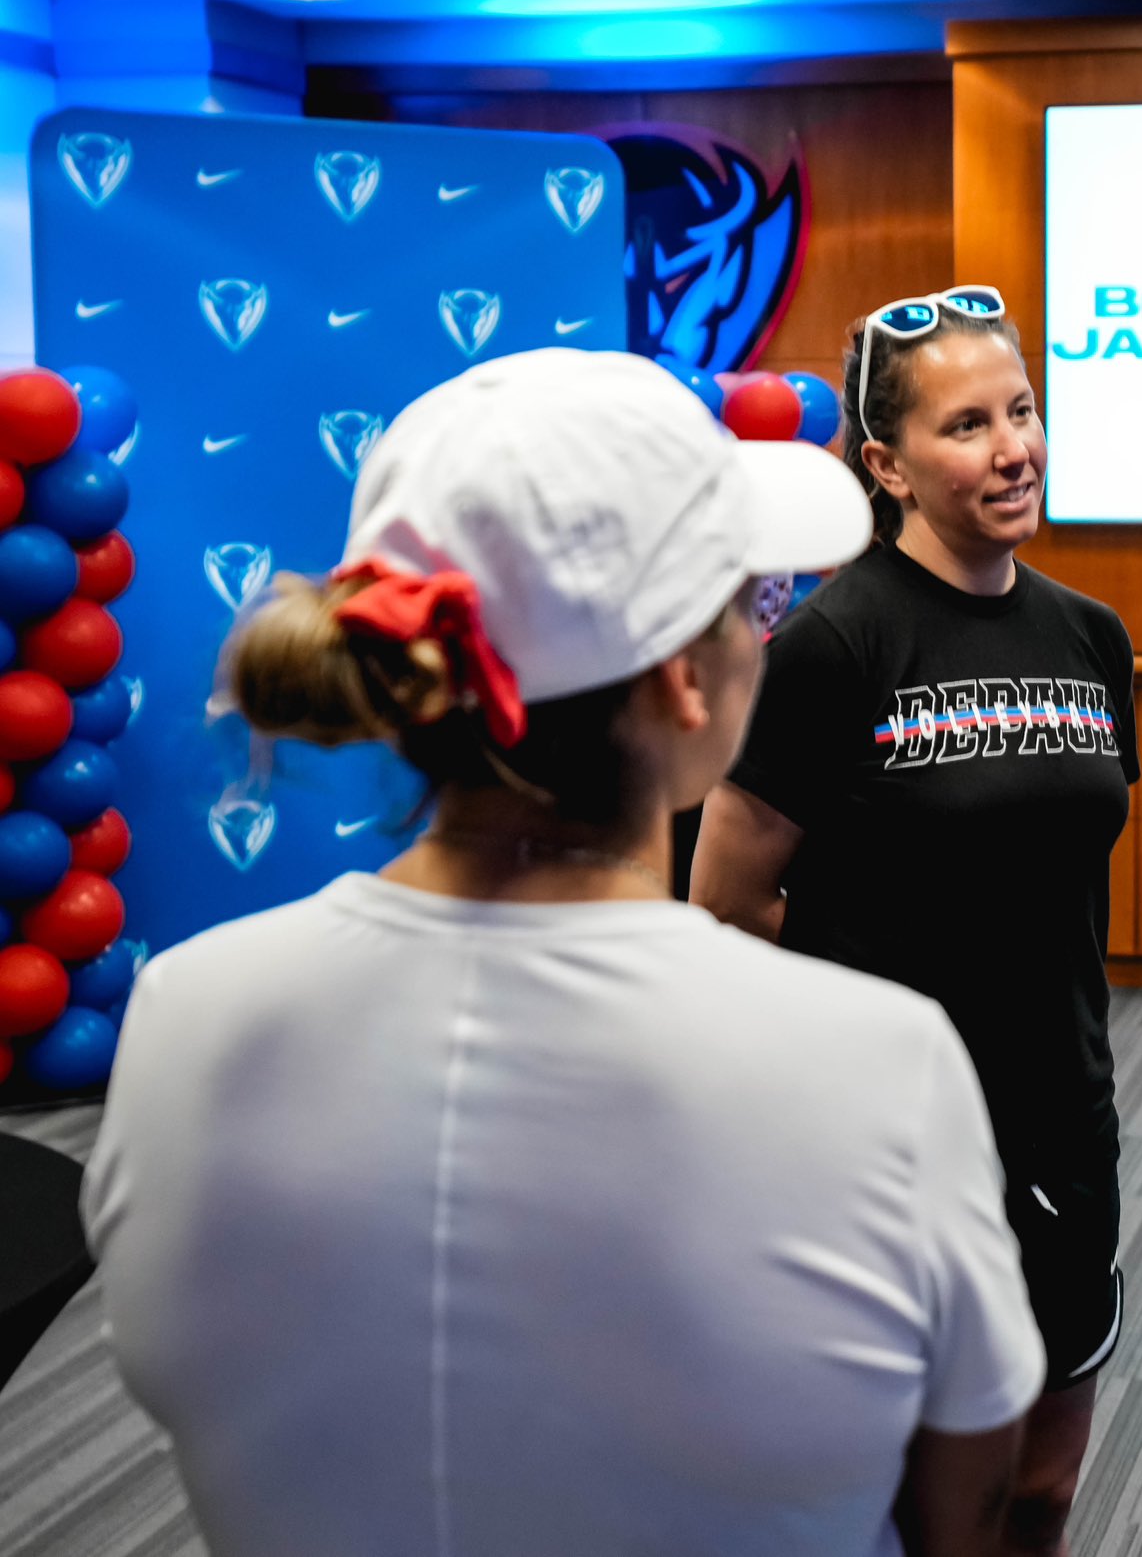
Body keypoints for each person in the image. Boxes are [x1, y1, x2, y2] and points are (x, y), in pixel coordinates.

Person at [82, 348, 1047, 1557]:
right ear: (685, 681)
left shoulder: (190, 1013)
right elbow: (967, 1491)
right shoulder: (874, 1060)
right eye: (753, 600)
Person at [692, 287, 1139, 1557]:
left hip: (1062, 1116)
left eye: (1022, 412)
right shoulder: (833, 647)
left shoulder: (1089, 637)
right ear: (884, 464)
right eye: (966, 427)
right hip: (889, 1141)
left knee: (1044, 1486)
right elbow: (724, 906)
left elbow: (1060, 881)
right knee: (930, 1499)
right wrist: (868, 997)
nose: (1012, 449)